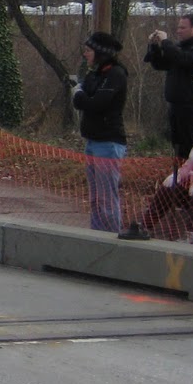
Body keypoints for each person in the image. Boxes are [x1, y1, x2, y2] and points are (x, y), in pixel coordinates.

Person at [73, 31, 128, 233]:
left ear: (100, 52)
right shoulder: (95, 74)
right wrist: (81, 96)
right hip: (92, 140)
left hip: (109, 143)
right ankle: (97, 235)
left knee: (107, 197)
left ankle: (112, 237)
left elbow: (96, 103)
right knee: (96, 197)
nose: (85, 54)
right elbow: (82, 99)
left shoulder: (116, 74)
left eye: (88, 51)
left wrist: (80, 96)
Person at [145, 15, 193, 160]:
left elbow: (182, 59)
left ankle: (190, 178)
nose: (179, 31)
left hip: (190, 107)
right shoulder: (178, 48)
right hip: (174, 106)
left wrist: (165, 42)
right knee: (177, 147)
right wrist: (155, 46)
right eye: (178, 27)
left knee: (190, 146)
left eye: (183, 27)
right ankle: (179, 176)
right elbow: (160, 64)